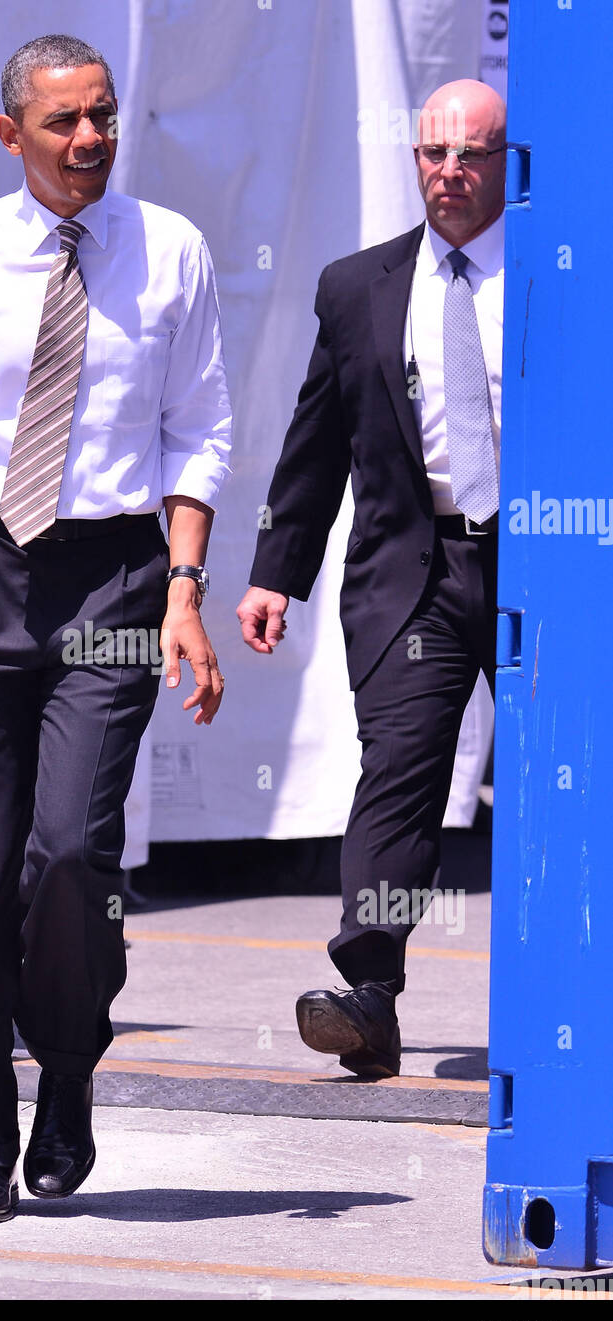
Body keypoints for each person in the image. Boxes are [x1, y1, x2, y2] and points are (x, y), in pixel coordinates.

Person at [0, 34, 230, 1222]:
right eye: (64, 123)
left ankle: (67, 1066)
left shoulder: (168, 251)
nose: (90, 143)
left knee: (71, 850)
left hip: (116, 583)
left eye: (105, 117)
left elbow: (201, 433)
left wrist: (184, 588)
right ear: (11, 133)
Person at [237, 79, 505, 1079]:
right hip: (417, 568)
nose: (448, 172)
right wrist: (276, 574)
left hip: (545, 564)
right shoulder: (358, 288)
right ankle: (369, 991)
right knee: (398, 776)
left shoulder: (562, 272)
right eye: (433, 153)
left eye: (470, 154)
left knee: (573, 774)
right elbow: (316, 447)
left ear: (505, 160)